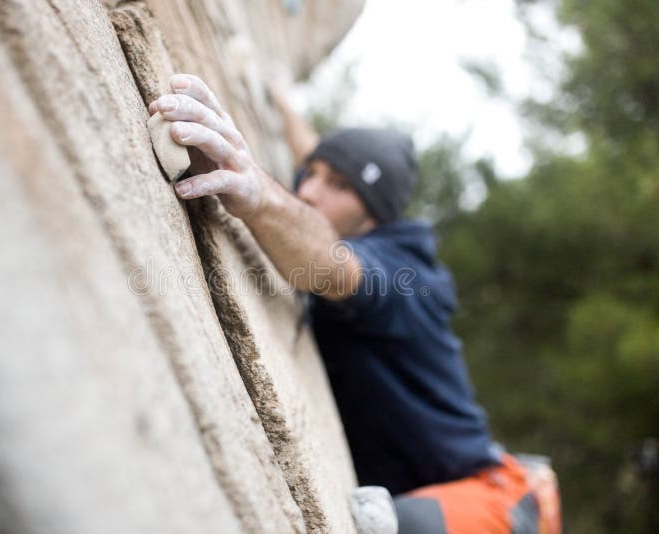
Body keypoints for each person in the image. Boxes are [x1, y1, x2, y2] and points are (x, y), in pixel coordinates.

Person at [149, 73, 559, 534]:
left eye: (338, 185)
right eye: (312, 175)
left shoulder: (409, 277)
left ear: (373, 216)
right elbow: (316, 156)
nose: (308, 191)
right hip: (422, 488)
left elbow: (336, 267)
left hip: (485, 497)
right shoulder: (343, 209)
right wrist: (280, 99)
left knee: (391, 525)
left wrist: (258, 191)